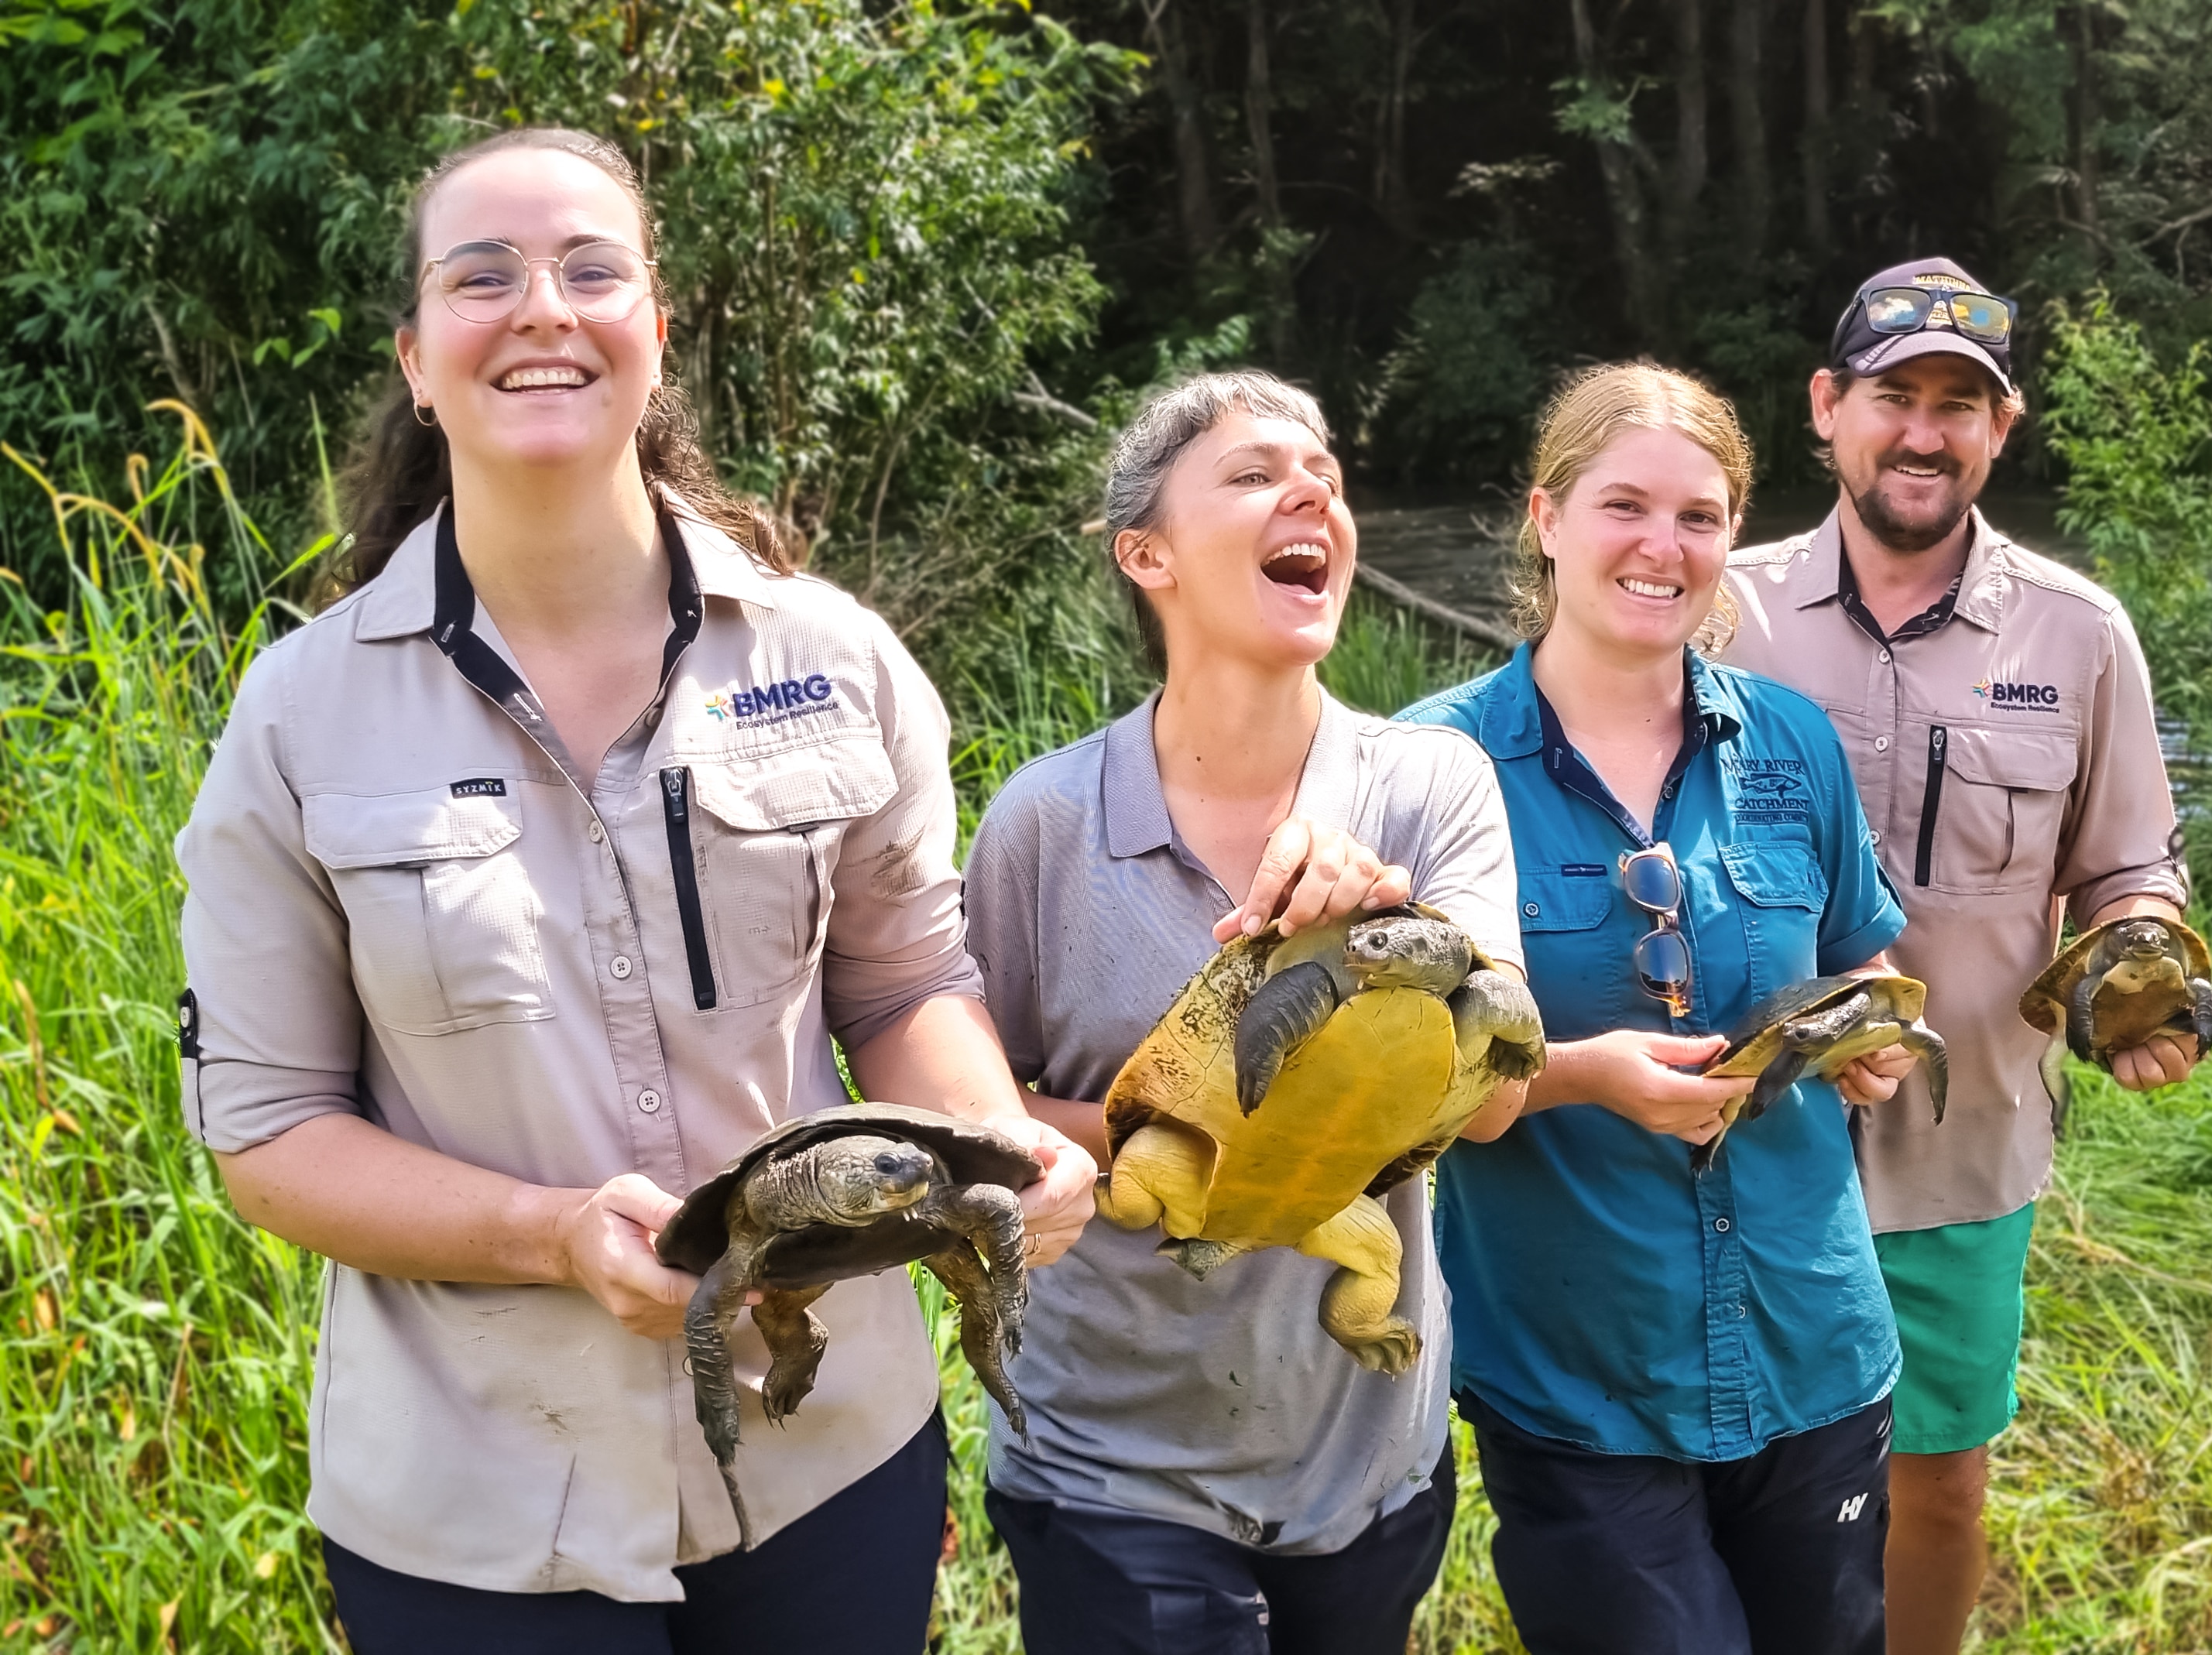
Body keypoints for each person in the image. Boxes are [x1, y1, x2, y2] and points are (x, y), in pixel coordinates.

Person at [173, 127, 1100, 1650]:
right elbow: (272, 1137)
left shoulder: (833, 659)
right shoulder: (296, 718)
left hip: (826, 1450)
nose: (543, 305)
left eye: (591, 269)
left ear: (653, 336)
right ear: (418, 359)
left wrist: (987, 1144)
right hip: (478, 1503)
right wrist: (551, 1232)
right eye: (484, 276)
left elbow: (901, 984)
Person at [963, 370, 1528, 1655]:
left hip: (1364, 1455)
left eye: (1325, 466)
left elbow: (1494, 1104)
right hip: (1108, 1458)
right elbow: (973, 1121)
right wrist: (1197, 1145)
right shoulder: (1044, 824)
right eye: (1257, 471)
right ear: (1146, 553)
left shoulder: (1430, 785)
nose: (1313, 487)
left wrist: (1384, 934)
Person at [1718, 258, 2200, 1655]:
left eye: (1958, 404)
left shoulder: (2079, 631)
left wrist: (2144, 979)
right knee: (1734, 1466)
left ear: (2004, 426)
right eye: (1893, 395)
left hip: (1967, 1140)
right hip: (1742, 1130)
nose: (1922, 431)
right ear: (1827, 407)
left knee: (1934, 1487)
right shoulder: (1716, 612)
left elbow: (2129, 868)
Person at [1399, 362, 1917, 1655]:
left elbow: (1868, 962)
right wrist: (1584, 1075)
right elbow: (1400, 1089)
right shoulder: (1424, 768)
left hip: (1816, 1343)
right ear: (1547, 516)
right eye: (1625, 505)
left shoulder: (1795, 745)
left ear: (1733, 537)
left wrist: (1871, 1040)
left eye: (1699, 515)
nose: (1662, 546)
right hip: (1582, 1376)